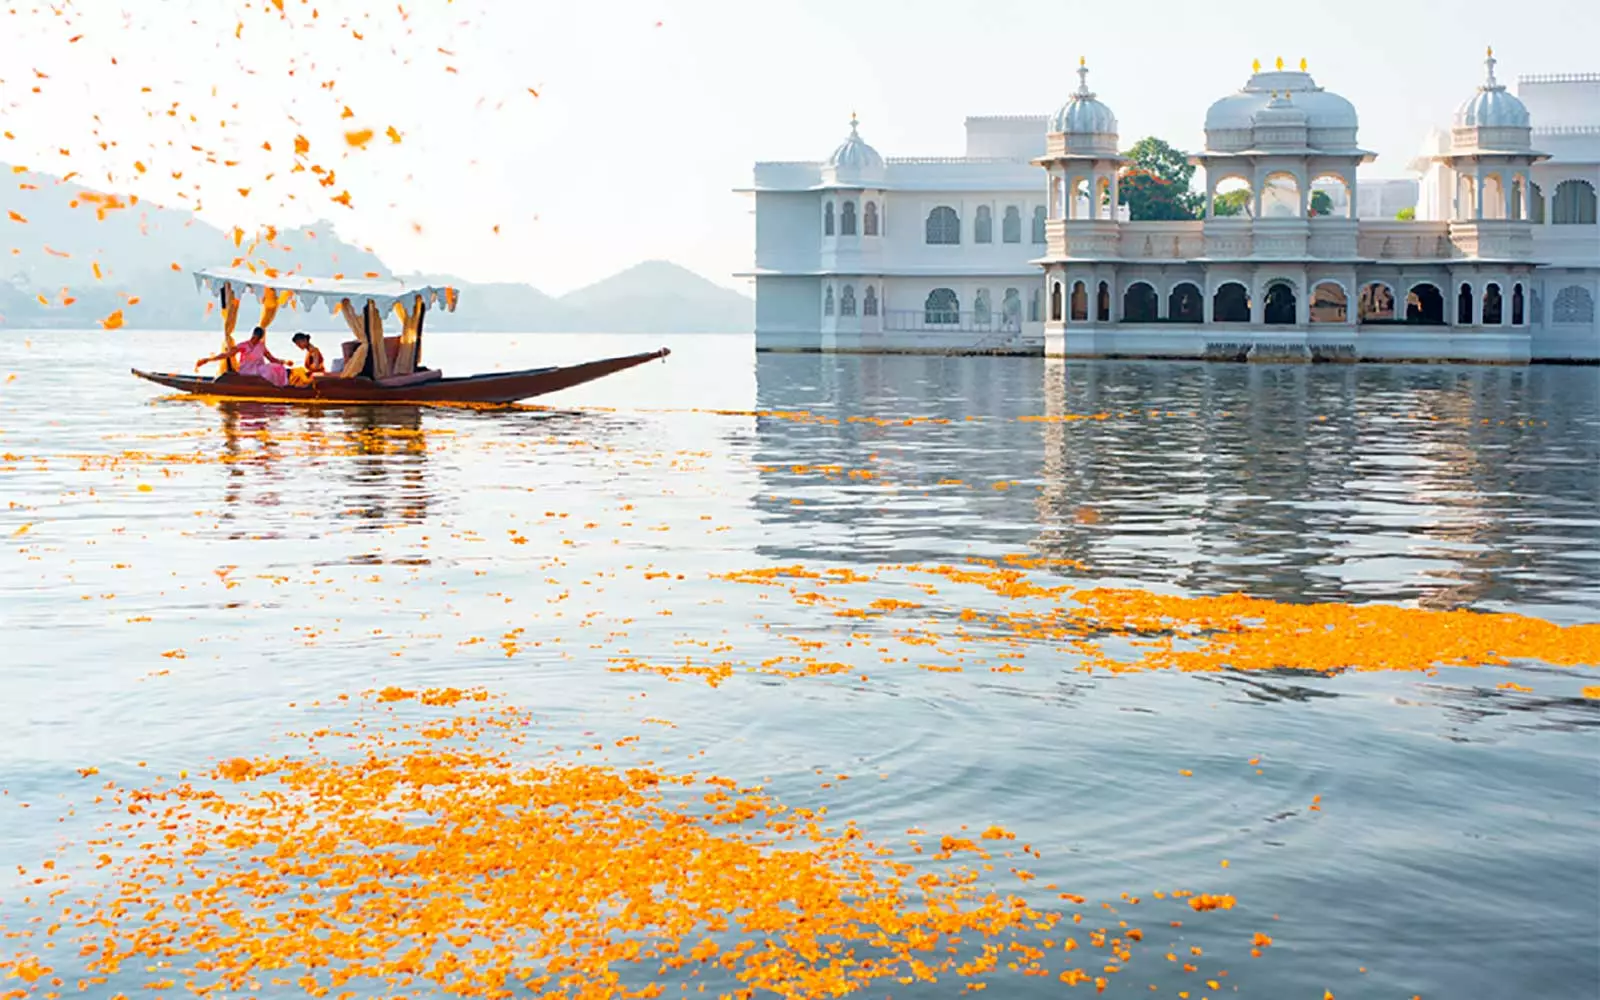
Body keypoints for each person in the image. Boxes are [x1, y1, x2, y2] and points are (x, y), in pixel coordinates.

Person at [195, 327, 288, 387]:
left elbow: (271, 359)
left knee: (278, 368)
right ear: (252, 335)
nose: (254, 340)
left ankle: (278, 387)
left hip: (259, 368)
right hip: (247, 370)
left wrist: (284, 362)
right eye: (253, 337)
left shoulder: (261, 346)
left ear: (260, 338)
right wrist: (208, 360)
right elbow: (227, 354)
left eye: (257, 338)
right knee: (268, 370)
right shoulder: (243, 345)